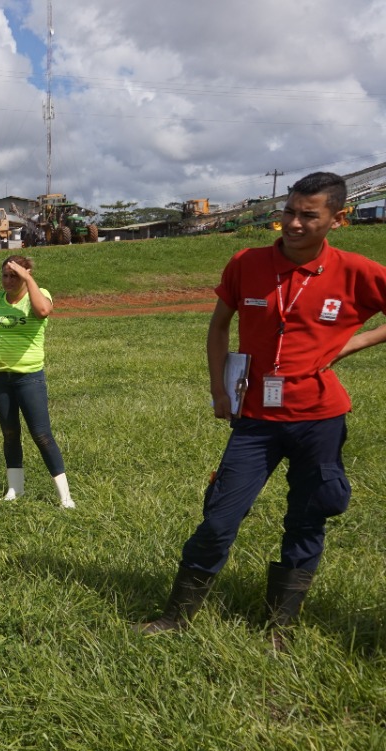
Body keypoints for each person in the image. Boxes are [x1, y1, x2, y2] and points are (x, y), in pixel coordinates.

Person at [137, 172, 386, 649]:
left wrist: (353, 342)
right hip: (255, 419)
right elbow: (218, 328)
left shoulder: (356, 272)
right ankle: (175, 617)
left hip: (319, 418)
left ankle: (280, 628)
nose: (293, 223)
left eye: (307, 215)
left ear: (338, 218)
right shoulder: (247, 264)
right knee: (219, 517)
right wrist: (219, 391)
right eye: (288, 211)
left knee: (307, 517)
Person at [0, 255, 75, 508]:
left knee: (41, 434)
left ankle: (65, 497)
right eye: (5, 275)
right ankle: (15, 489)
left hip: (29, 377)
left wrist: (27, 278)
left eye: (13, 275)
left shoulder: (39, 295)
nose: (7, 280)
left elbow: (42, 312)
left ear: (26, 274)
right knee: (9, 433)